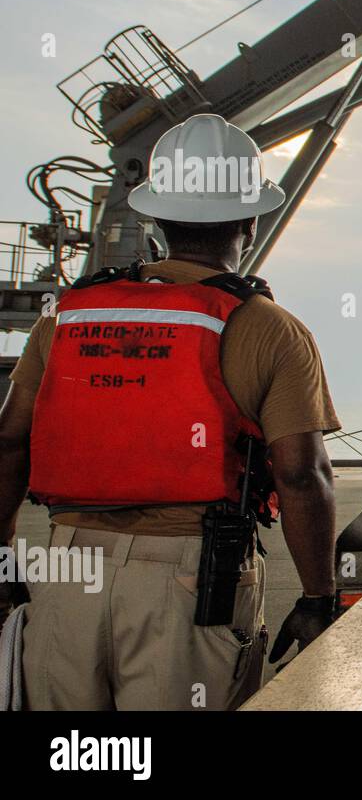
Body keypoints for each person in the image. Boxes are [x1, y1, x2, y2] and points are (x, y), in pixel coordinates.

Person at [0, 114, 341, 710]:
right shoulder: (269, 329)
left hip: (64, 568)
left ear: (154, 218)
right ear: (250, 221)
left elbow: (9, 444)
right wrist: (318, 597)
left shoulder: (67, 316)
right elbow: (300, 474)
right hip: (191, 578)